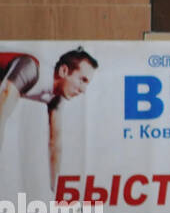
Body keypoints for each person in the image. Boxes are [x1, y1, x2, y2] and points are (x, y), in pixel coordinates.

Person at [0, 48, 98, 189]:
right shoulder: (29, 69)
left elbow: (55, 145)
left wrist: (55, 190)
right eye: (82, 80)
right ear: (64, 71)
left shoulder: (57, 97)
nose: (83, 90)